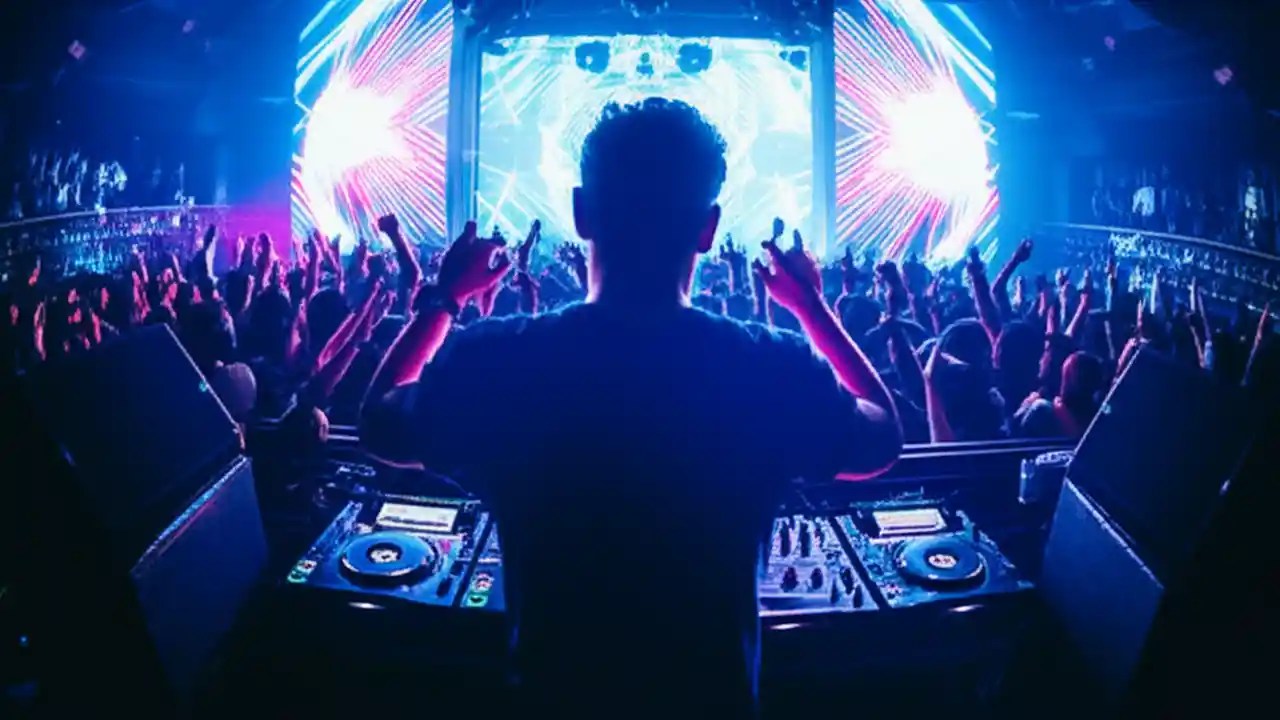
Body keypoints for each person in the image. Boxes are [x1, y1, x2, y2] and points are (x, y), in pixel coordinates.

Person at [359, 98, 902, 718]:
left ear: (581, 213)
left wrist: (444, 299)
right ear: (707, 228)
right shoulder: (770, 367)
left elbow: (378, 420)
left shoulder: (498, 360)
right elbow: (883, 436)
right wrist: (812, 307)